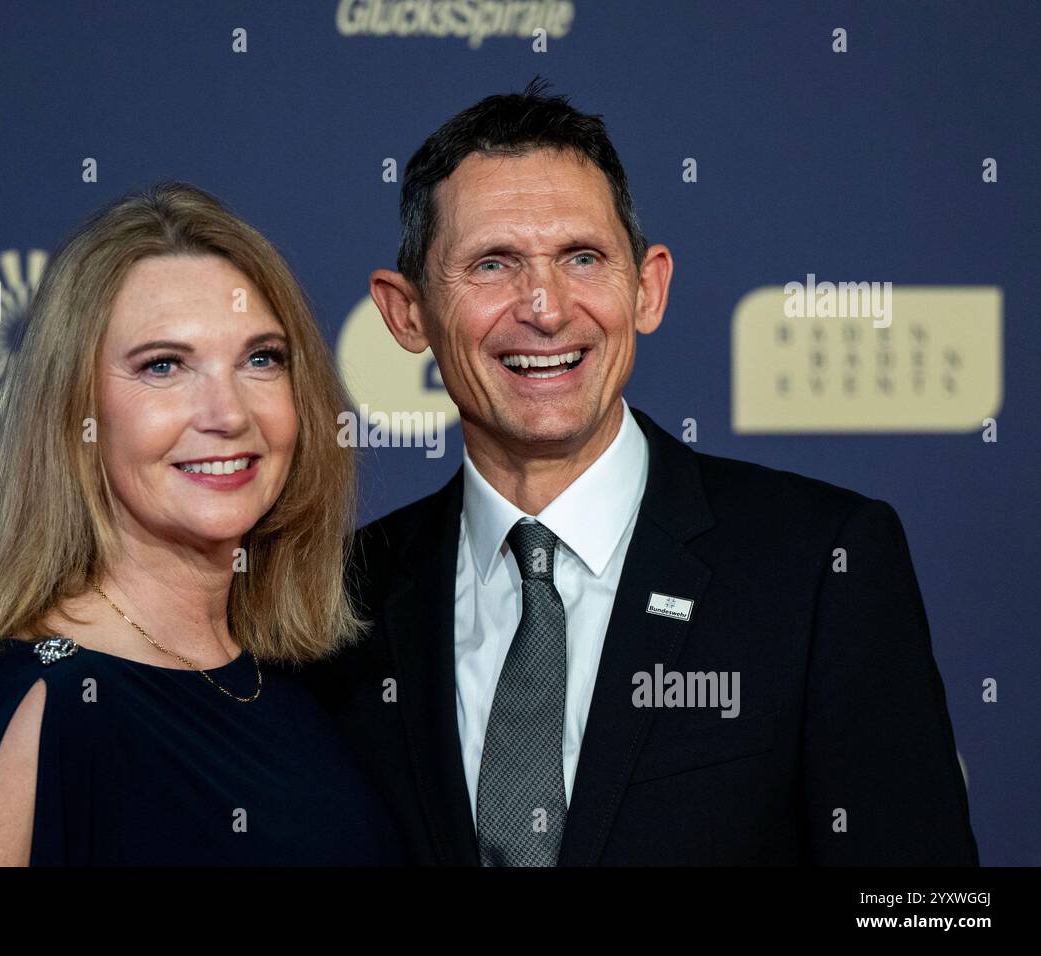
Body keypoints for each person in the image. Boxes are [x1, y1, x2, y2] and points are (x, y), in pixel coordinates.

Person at [298, 79, 979, 866]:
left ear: (647, 287)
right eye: (492, 265)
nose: (545, 309)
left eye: (582, 258)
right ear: (405, 313)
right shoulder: (339, 599)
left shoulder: (822, 565)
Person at [0, 181, 402, 866]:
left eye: (261, 359)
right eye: (164, 366)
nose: (226, 413)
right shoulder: (44, 706)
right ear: (77, 411)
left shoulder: (298, 684)